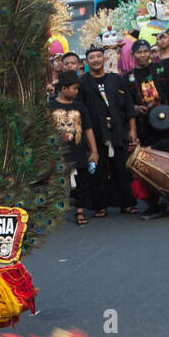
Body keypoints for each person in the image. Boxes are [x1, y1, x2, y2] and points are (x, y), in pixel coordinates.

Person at [77, 45, 137, 217]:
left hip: (118, 130)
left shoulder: (116, 79)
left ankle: (127, 204)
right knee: (99, 171)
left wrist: (132, 129)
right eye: (92, 58)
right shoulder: (83, 83)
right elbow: (79, 112)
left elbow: (129, 106)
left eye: (98, 56)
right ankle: (100, 206)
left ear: (104, 58)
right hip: (95, 133)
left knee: (123, 169)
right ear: (87, 62)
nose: (95, 60)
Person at [48, 71, 98, 227]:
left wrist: (94, 150)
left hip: (79, 151)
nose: (76, 92)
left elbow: (88, 129)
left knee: (82, 182)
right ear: (63, 89)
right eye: (74, 88)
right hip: (58, 153)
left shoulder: (80, 107)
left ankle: (80, 211)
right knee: (56, 182)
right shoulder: (50, 106)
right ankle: (54, 211)